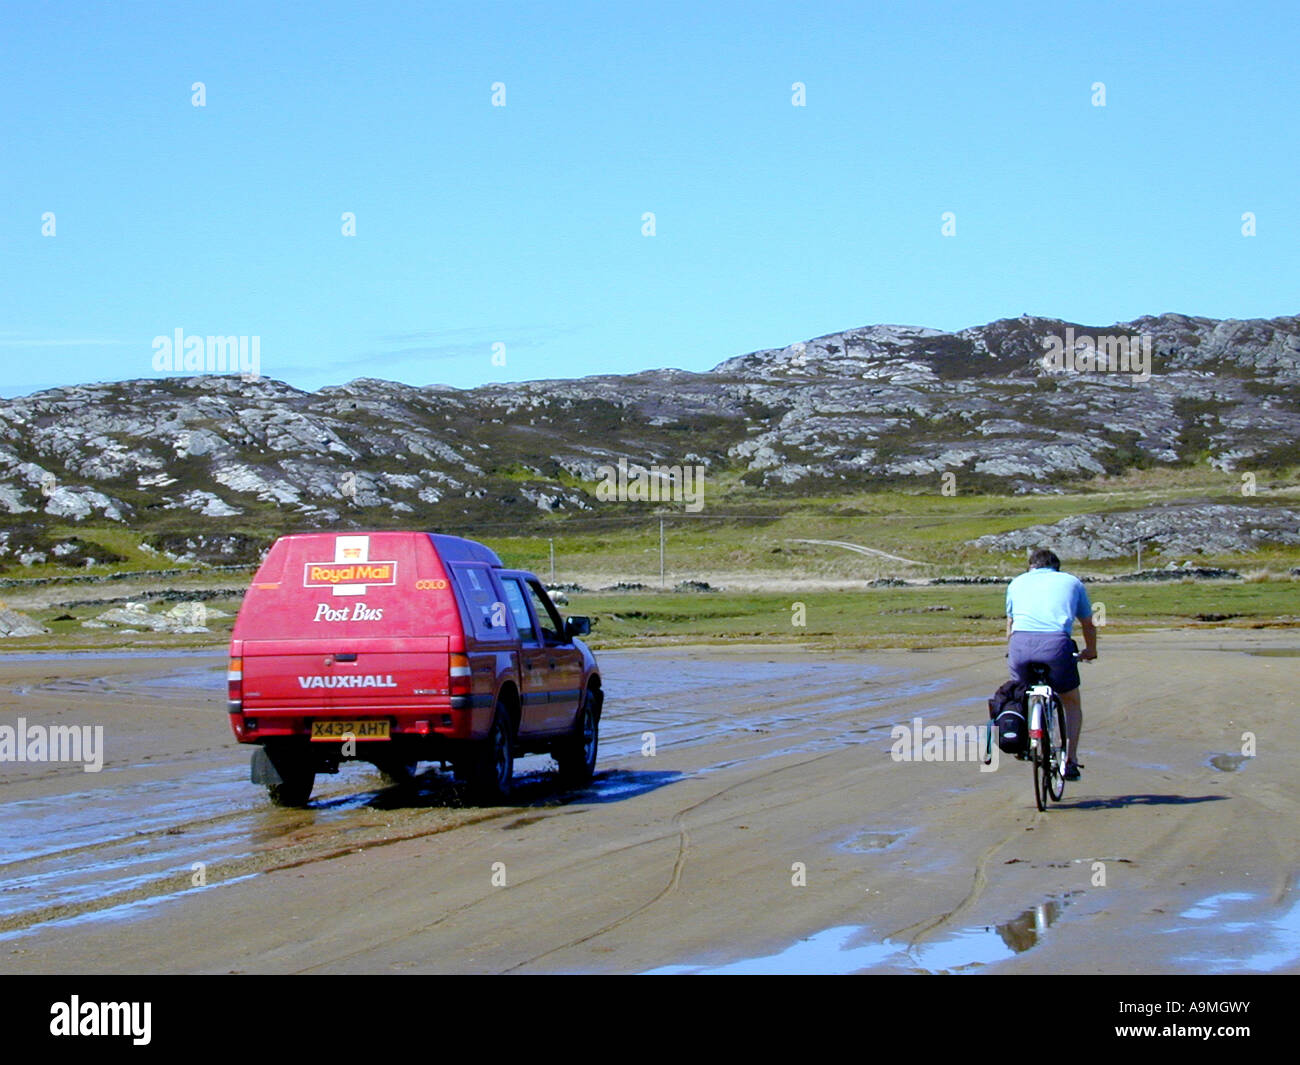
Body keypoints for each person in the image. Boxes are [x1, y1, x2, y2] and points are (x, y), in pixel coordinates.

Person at [1005, 548, 1097, 779]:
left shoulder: (1016, 582)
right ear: (1057, 567)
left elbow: (1010, 624)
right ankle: (1070, 760)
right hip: (1056, 645)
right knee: (1071, 702)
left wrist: (1013, 651)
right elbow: (1087, 623)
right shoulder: (1071, 582)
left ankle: (1025, 740)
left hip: (1020, 645)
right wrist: (1091, 650)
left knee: (1020, 693)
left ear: (1030, 566)